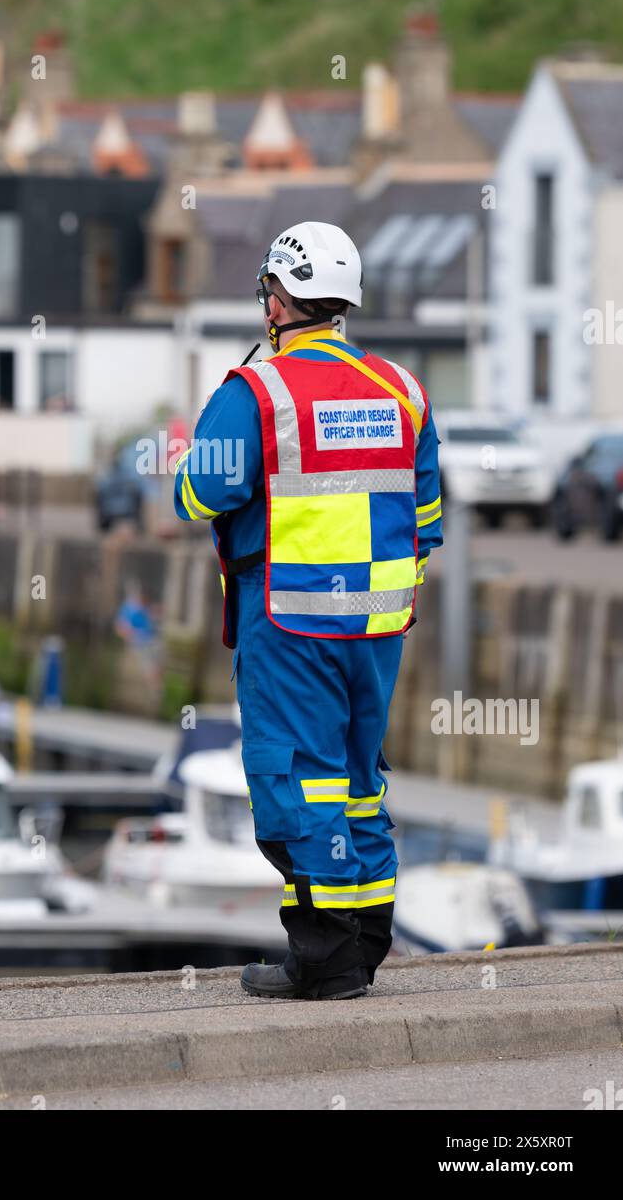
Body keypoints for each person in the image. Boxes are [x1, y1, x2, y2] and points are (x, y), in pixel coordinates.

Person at [174, 222, 443, 1000]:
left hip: (288, 617)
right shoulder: (404, 389)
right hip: (379, 624)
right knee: (357, 779)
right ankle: (362, 943)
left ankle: (323, 959)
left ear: (279, 298)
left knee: (297, 778)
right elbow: (426, 518)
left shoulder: (257, 390)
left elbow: (195, 492)